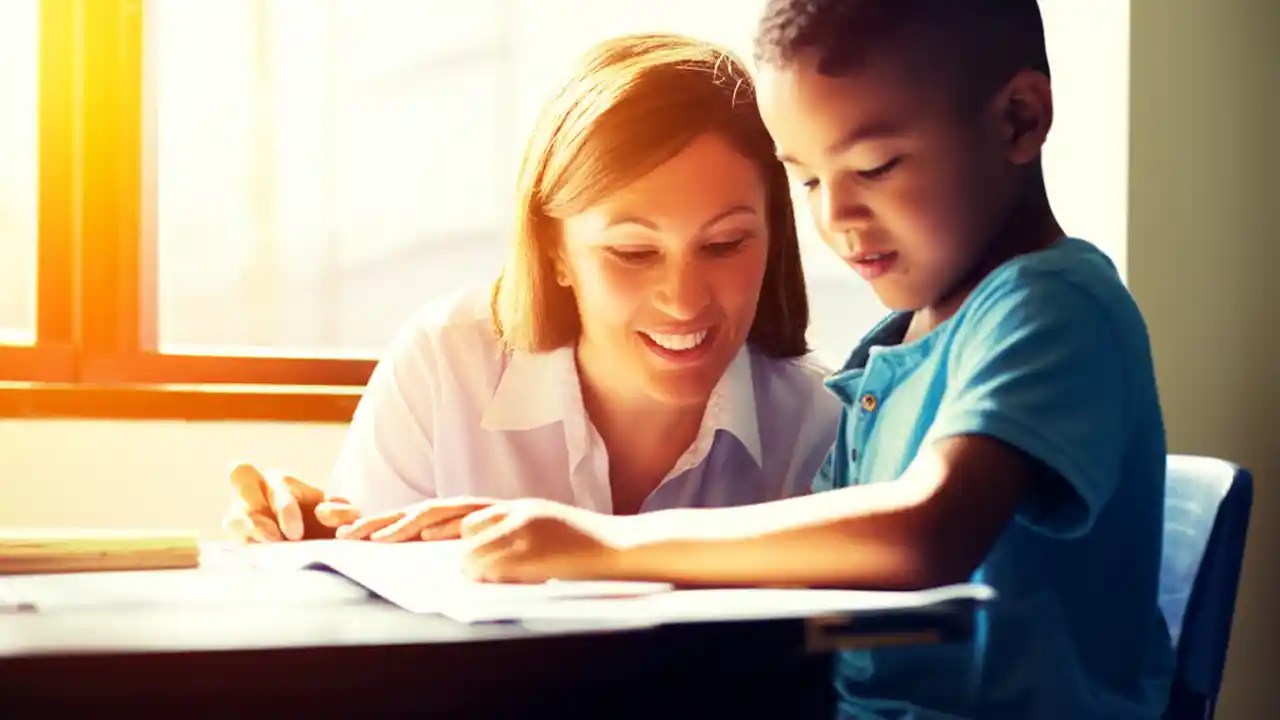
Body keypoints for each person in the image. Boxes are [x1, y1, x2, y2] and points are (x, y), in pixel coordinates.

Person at [453, 2, 1176, 718]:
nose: (835, 218)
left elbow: (924, 534)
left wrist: (605, 545)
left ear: (1018, 118)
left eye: (875, 167)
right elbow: (818, 590)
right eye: (807, 180)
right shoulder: (895, 348)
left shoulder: (1053, 305)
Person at [222, 33, 840, 545]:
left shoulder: (818, 423)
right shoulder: (445, 367)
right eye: (632, 252)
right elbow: (367, 621)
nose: (682, 299)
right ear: (555, 251)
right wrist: (309, 543)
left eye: (725, 245)